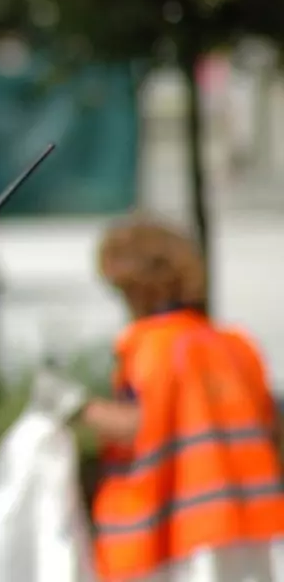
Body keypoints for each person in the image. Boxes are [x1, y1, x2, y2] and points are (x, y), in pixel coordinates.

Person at [39, 214, 284, 581]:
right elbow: (270, 428)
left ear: (136, 288)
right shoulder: (235, 345)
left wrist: (73, 405)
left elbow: (138, 425)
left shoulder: (152, 346)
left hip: (177, 534)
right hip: (255, 528)